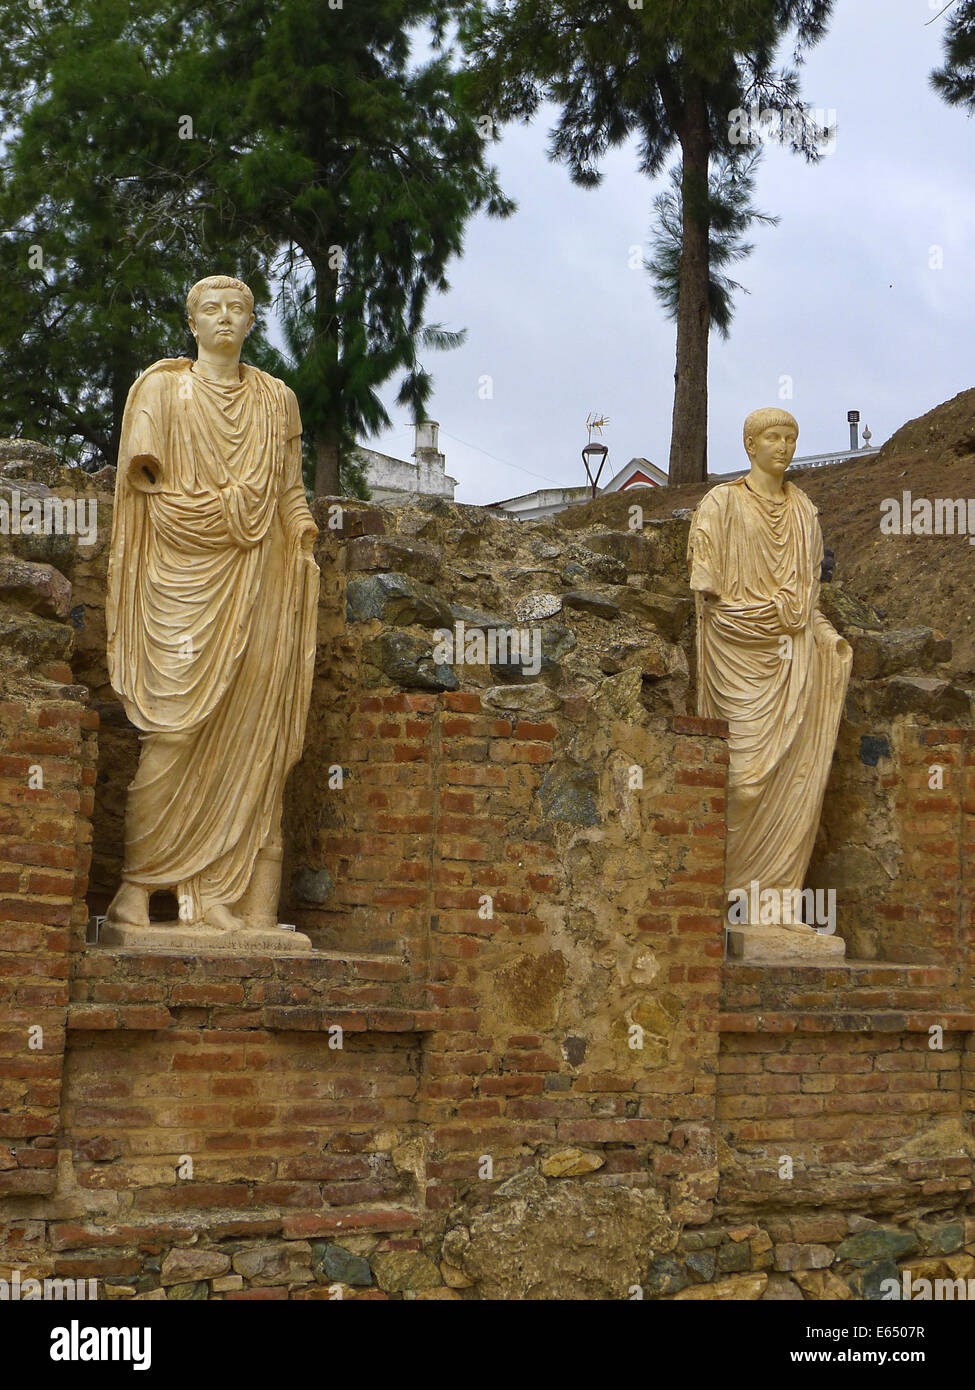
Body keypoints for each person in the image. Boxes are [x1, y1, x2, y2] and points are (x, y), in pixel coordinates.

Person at [103, 275, 318, 947]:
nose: (225, 317)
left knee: (247, 736)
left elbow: (289, 492)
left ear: (251, 323)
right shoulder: (161, 391)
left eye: (237, 308)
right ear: (192, 322)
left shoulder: (277, 400)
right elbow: (145, 487)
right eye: (211, 308)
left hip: (260, 582)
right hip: (178, 582)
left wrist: (303, 534)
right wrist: (214, 511)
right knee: (170, 733)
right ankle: (136, 888)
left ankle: (210, 895)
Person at [687, 407, 851, 955]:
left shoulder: (804, 510)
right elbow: (709, 595)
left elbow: (809, 600)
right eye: (773, 437)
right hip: (735, 651)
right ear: (750, 445)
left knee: (795, 780)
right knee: (744, 782)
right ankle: (725, 901)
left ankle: (775, 906)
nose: (783, 447)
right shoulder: (720, 504)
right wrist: (759, 613)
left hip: (795, 655)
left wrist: (827, 638)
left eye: (791, 438)